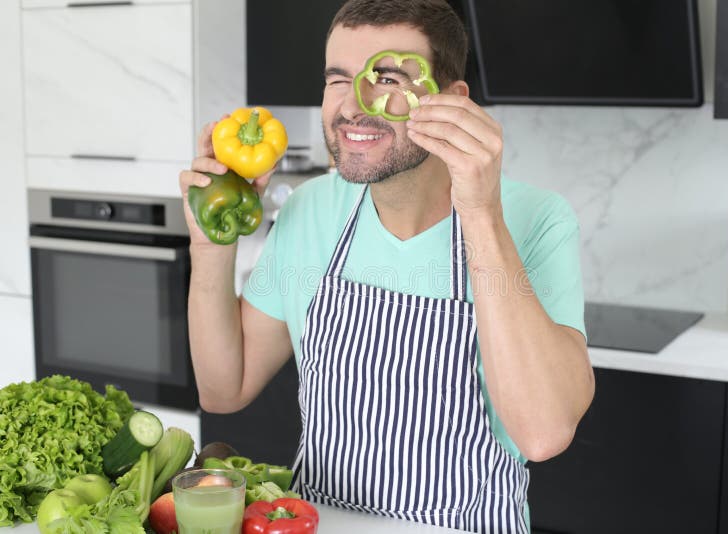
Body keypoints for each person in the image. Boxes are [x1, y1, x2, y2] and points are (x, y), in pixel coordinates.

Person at [179, 0, 594, 532]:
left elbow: (543, 434)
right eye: (338, 79)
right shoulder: (311, 208)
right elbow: (223, 388)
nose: (354, 106)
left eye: (388, 76)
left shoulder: (537, 219)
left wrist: (481, 212)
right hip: (316, 523)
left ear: (453, 101)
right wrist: (211, 247)